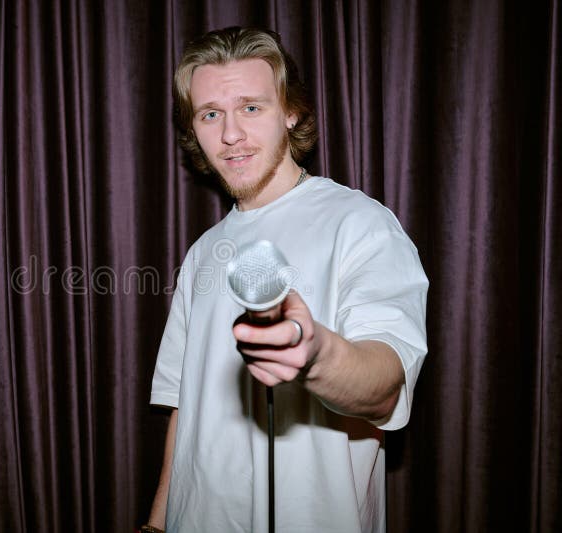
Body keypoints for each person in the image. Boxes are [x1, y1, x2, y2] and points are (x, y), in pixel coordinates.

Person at [141, 27, 428, 533]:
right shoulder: (203, 251)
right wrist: (157, 524)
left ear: (290, 112)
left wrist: (315, 353)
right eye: (211, 114)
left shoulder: (359, 222)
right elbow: (185, 409)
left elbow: (385, 384)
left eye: (251, 107)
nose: (230, 134)